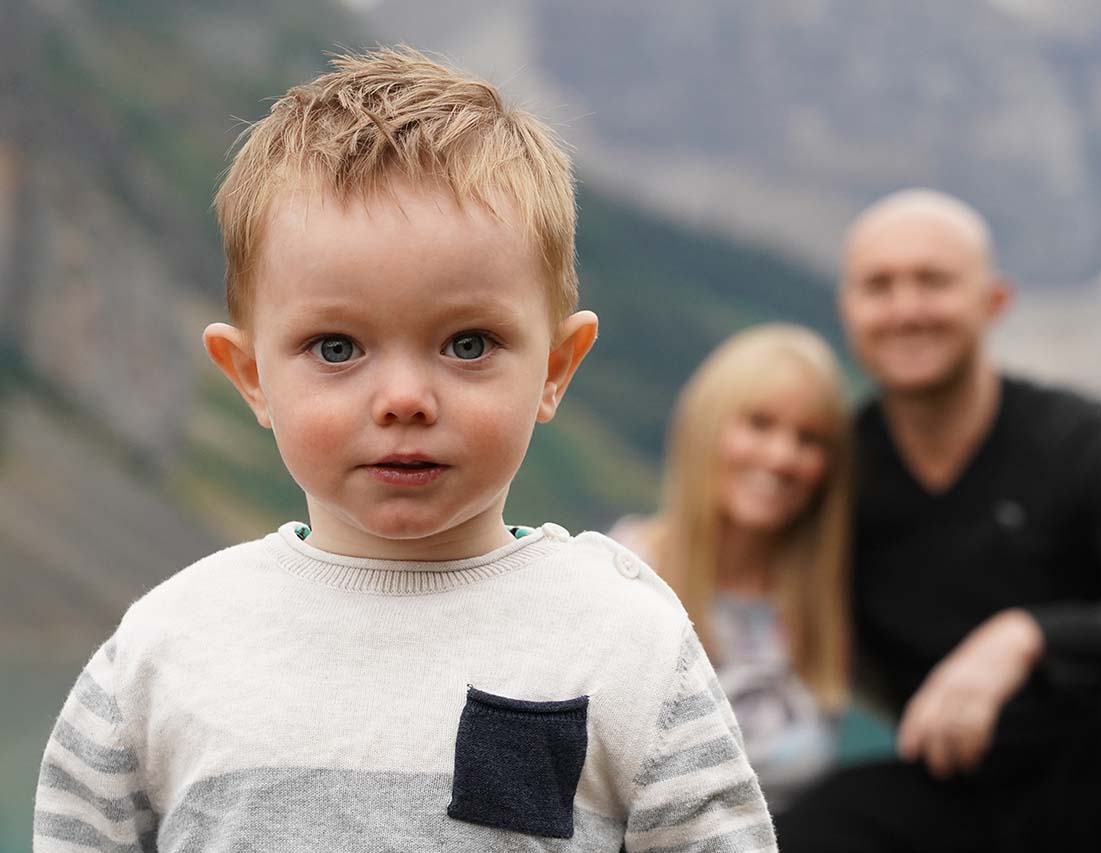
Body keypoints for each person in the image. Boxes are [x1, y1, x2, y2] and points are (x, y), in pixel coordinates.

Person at [32, 48, 776, 853]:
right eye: (336, 347)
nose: (404, 398)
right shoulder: (164, 651)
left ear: (556, 368)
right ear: (249, 376)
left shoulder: (625, 643)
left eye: (466, 342)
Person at [775, 189, 1101, 852]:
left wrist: (1024, 635)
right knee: (806, 831)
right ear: (848, 311)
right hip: (957, 786)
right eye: (879, 286)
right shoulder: (842, 471)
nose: (906, 308)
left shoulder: (1080, 440)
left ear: (994, 300)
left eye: (933, 280)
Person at [610, 323, 853, 814]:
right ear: (707, 428)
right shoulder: (629, 571)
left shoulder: (820, 599)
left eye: (809, 439)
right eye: (760, 424)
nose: (783, 457)